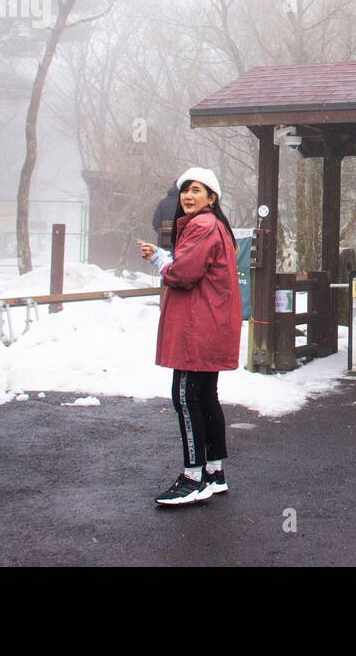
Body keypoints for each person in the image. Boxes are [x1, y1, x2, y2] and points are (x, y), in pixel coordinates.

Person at [136, 168, 242, 507]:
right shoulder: (216, 226)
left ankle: (192, 478)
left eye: (196, 190)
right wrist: (168, 258)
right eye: (185, 190)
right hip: (211, 324)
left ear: (212, 198)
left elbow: (182, 273)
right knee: (206, 398)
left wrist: (161, 260)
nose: (188, 196)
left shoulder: (201, 225)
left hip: (196, 328)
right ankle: (214, 473)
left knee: (184, 398)